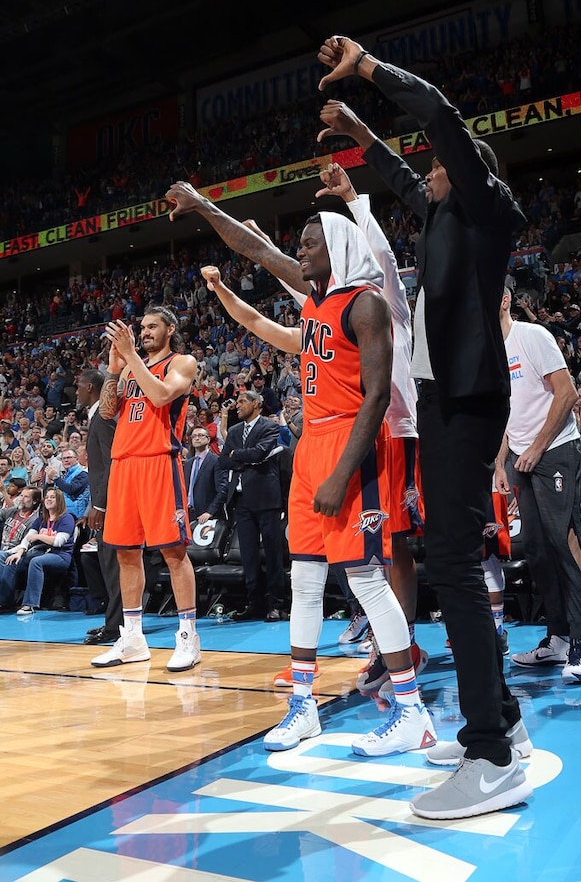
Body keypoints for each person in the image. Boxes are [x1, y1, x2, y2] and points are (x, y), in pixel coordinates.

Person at [314, 34, 530, 818]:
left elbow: (438, 119)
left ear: (470, 170)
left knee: (452, 563)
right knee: (452, 560)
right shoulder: (446, 213)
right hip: (448, 398)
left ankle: (491, 753)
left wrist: (370, 69)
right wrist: (361, 144)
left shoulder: (482, 209)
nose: (429, 172)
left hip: (467, 399)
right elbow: (407, 175)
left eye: (443, 163)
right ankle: (504, 721)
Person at [166, 182, 436, 757]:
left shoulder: (365, 304)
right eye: (301, 243)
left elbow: (377, 395)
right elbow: (257, 251)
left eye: (311, 243)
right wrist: (204, 206)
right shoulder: (315, 302)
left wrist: (342, 472)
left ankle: (412, 710)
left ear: (337, 247)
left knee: (364, 577)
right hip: (311, 444)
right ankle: (304, 705)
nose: (301, 250)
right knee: (306, 580)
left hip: (352, 445)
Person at [311, 157, 428, 689]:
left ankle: (403, 647)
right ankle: (392, 642)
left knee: (395, 544)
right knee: (374, 550)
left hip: (397, 429)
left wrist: (355, 200)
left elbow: (378, 253)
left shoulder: (383, 299)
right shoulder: (335, 303)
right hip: (364, 433)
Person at [90, 306, 201, 673]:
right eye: (142, 327)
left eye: (152, 326)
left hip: (159, 461)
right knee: (124, 553)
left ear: (170, 329)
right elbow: (107, 412)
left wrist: (132, 356)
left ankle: (188, 637)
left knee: (172, 551)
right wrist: (112, 367)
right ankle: (133, 638)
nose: (145, 331)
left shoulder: (182, 362)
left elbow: (160, 396)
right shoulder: (127, 369)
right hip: (124, 464)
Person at [496, 286, 581, 681]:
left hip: (554, 449)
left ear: (503, 299)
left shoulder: (531, 336)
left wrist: (537, 448)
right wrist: (500, 463)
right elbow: (505, 412)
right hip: (520, 456)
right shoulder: (491, 351)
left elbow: (567, 392)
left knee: (563, 540)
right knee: (535, 549)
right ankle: (556, 638)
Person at [217, 389, 287, 621]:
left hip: (267, 500)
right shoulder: (235, 431)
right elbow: (224, 460)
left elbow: (259, 453)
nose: (237, 405)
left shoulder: (269, 426)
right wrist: (243, 456)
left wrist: (240, 455)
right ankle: (254, 604)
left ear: (257, 404)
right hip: (242, 501)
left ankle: (277, 604)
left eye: (242, 401)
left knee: (274, 554)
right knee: (248, 556)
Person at [75, 369, 123, 648]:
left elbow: (111, 462)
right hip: (106, 501)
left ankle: (117, 625)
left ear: (90, 386)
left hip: (111, 503)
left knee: (114, 564)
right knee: (109, 563)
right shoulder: (97, 417)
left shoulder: (103, 419)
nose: (76, 391)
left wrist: (99, 504)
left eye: (78, 386)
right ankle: (114, 621)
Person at [0, 488, 75, 616]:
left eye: (52, 497)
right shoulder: (41, 519)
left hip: (60, 555)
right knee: (10, 559)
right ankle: (5, 602)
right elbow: (27, 539)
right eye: (47, 497)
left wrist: (39, 536)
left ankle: (30, 604)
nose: (49, 500)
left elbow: (58, 541)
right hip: (40, 552)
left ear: (60, 501)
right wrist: (19, 552)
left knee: (36, 562)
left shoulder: (66, 518)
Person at [0, 487, 42, 609]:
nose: (21, 499)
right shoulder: (12, 512)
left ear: (34, 501)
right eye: (21, 496)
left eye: (26, 497)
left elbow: (25, 544)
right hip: (3, 551)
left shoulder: (34, 520)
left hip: (19, 554)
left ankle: (4, 602)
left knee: (5, 559)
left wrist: (6, 552)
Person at [185, 426, 227, 523]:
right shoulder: (188, 464)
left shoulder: (216, 461)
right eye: (194, 436)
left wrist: (210, 512)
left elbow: (222, 489)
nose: (197, 438)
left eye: (200, 435)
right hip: (189, 515)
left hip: (208, 516)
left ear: (208, 439)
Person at [45, 445, 90, 522]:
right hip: (59, 513)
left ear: (77, 459)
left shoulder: (83, 474)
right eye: (63, 458)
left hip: (73, 516)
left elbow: (71, 489)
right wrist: (49, 481)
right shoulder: (64, 475)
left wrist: (56, 478)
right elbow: (48, 493)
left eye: (69, 457)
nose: (66, 460)